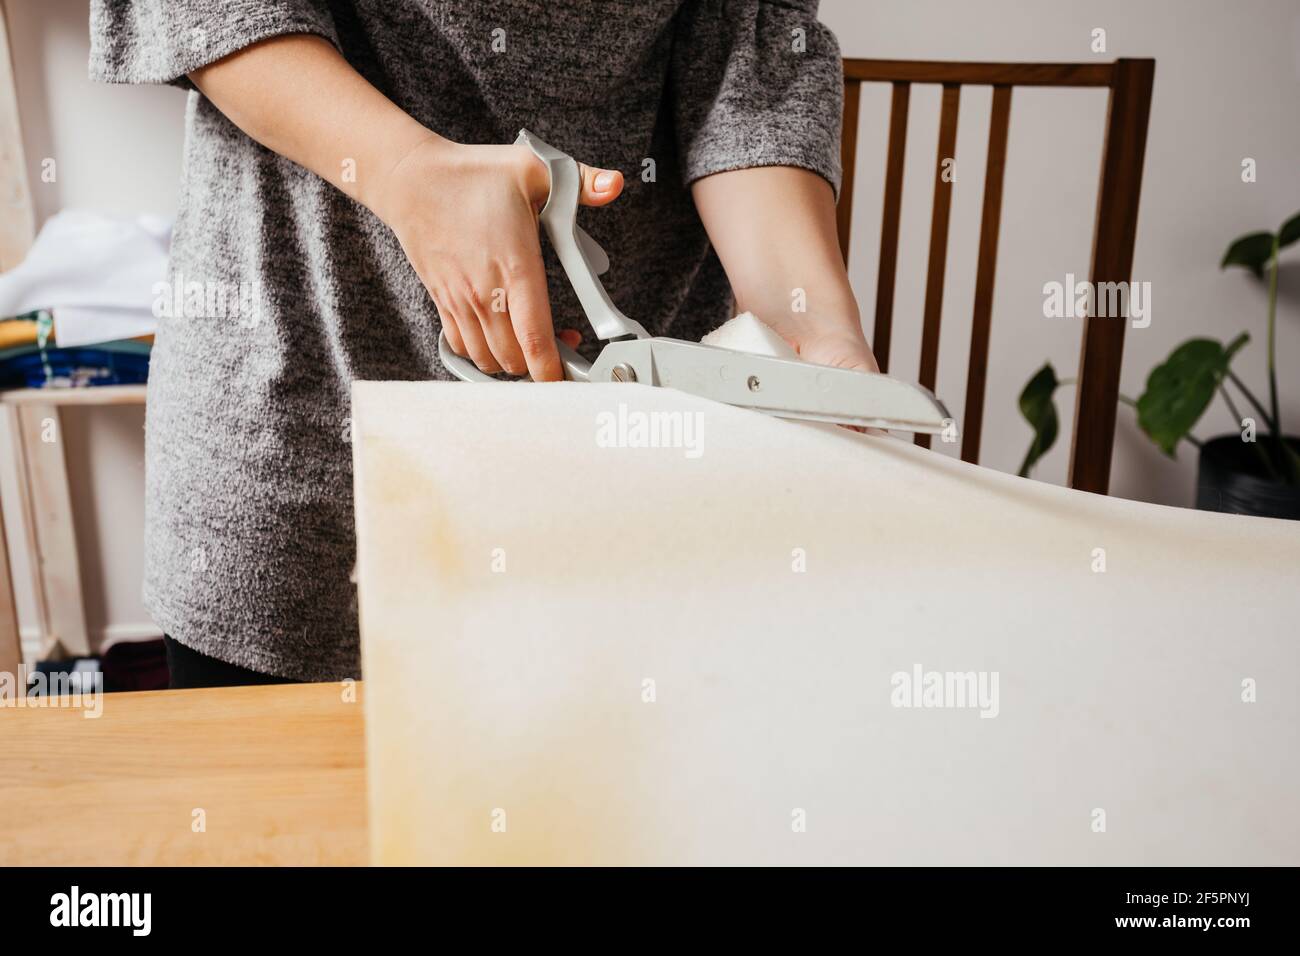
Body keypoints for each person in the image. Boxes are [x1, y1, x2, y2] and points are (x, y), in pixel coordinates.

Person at [89, 0, 878, 687]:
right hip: (294, 399)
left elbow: (747, 41)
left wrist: (802, 325)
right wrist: (406, 171)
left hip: (628, 468)